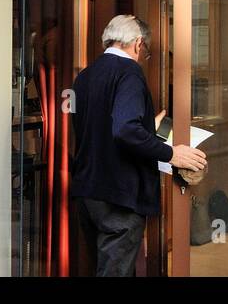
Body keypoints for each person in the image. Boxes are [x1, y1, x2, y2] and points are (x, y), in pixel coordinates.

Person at [71, 14, 207, 276]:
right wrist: (171, 153)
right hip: (119, 195)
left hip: (89, 192)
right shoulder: (129, 74)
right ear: (137, 43)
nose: (142, 56)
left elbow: (95, 129)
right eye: (145, 51)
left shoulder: (86, 76)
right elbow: (124, 130)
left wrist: (147, 128)